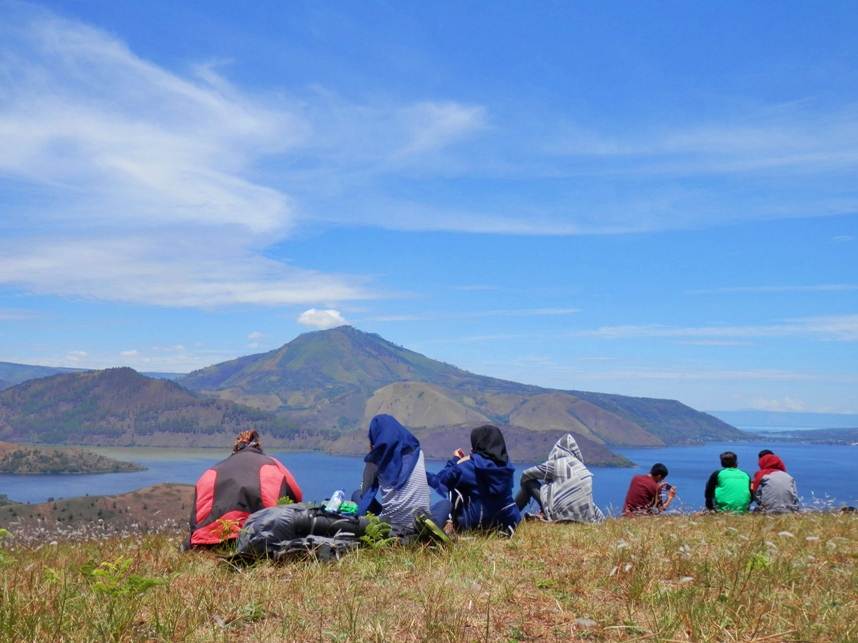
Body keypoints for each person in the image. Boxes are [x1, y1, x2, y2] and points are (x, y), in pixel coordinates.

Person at [187, 429, 302, 547]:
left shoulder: (212, 471)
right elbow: (297, 495)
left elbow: (195, 518)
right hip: (263, 535)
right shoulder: (272, 464)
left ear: (235, 449)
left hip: (208, 539)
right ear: (259, 447)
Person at [427, 425, 521, 535]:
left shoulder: (468, 467)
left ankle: (451, 524)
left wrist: (455, 460)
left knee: (456, 487)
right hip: (507, 526)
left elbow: (441, 481)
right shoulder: (507, 467)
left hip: (475, 528)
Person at [354, 414, 432, 535]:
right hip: (420, 522)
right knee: (445, 505)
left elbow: (366, 493)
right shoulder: (418, 453)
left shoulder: (375, 461)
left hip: (392, 524)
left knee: (356, 495)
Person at [515, 434, 604, 523]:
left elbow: (526, 474)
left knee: (528, 482)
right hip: (584, 520)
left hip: (560, 516)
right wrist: (601, 520)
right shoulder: (583, 469)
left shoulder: (557, 463)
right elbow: (589, 501)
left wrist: (526, 489)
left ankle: (511, 514)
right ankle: (543, 513)